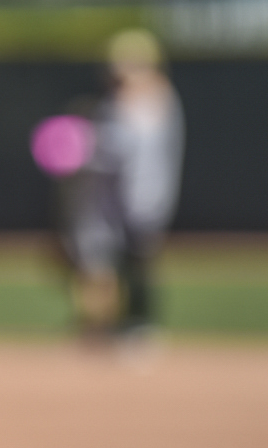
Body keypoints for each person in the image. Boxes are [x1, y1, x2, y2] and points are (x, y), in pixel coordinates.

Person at [62, 29, 184, 345]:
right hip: (111, 197)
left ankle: (139, 323)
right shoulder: (115, 103)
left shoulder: (152, 102)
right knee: (101, 259)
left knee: (137, 259)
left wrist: (86, 145)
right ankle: (106, 323)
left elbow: (123, 147)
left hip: (143, 196)